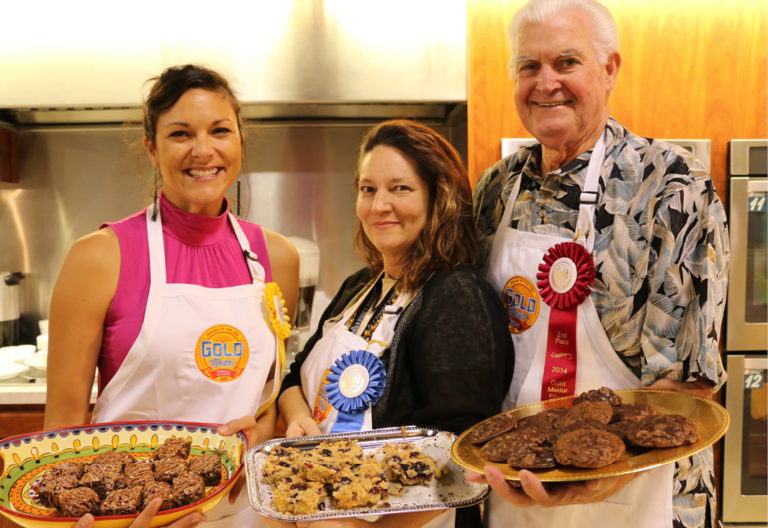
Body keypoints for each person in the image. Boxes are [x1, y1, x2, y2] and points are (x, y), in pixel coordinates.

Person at [469, 1, 730, 527]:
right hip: (518, 494)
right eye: (528, 66)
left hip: (639, 495)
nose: (545, 84)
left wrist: (605, 474)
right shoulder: (495, 189)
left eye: (566, 63)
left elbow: (691, 382)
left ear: (609, 70)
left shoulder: (670, 186)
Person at [45, 64, 299, 527]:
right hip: (129, 519)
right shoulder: (99, 258)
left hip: (245, 511)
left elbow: (266, 398)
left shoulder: (277, 258)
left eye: (220, 130)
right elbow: (59, 437)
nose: (204, 150)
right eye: (181, 134)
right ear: (152, 148)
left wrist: (260, 430)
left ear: (239, 139)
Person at [274, 119, 514, 528]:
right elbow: (294, 375)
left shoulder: (457, 295)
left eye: (399, 188)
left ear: (439, 197)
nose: (378, 204)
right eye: (368, 189)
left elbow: (465, 456)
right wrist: (298, 419)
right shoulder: (359, 286)